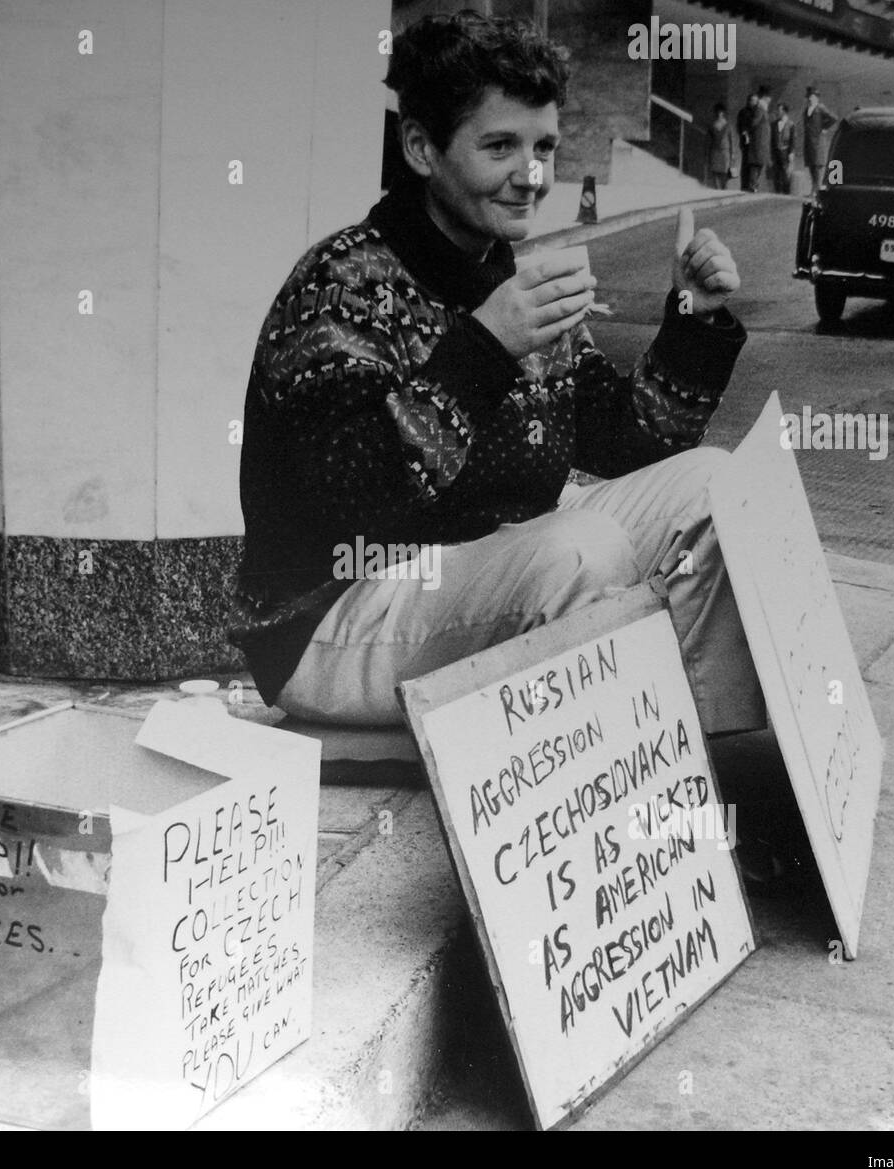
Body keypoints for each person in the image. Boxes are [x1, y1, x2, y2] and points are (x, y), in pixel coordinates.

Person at [229, 10, 766, 740]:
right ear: (421, 147)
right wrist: (486, 344)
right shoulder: (341, 282)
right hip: (331, 619)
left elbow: (619, 443)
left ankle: (692, 741)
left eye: (544, 145)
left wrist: (692, 320)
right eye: (500, 146)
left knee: (718, 484)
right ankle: (600, 770)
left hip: (482, 571)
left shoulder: (500, 272)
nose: (532, 175)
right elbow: (352, 499)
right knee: (579, 551)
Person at [802, 84, 839, 194]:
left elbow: (834, 118)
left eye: (812, 96)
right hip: (809, 141)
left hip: (817, 141)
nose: (809, 98)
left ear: (816, 97)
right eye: (808, 96)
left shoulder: (820, 108)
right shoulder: (807, 110)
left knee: (817, 167)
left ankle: (816, 190)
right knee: (812, 166)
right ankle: (814, 189)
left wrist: (824, 127)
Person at [743, 85, 771, 193]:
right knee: (756, 164)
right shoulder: (760, 108)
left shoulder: (761, 108)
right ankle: (753, 185)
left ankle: (754, 185)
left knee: (759, 163)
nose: (770, 99)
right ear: (765, 97)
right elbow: (754, 122)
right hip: (758, 141)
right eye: (768, 97)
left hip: (761, 141)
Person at [707, 102, 735, 190]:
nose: (719, 114)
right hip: (715, 151)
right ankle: (717, 189)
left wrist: (733, 154)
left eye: (721, 112)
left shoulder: (728, 126)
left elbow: (732, 141)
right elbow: (709, 140)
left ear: (723, 113)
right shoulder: (712, 126)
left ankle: (724, 189)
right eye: (718, 112)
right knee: (715, 171)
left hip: (725, 151)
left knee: (724, 173)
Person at [771, 101, 796, 194]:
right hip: (775, 151)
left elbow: (793, 139)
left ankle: (786, 192)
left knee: (785, 172)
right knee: (776, 172)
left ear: (784, 111)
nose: (777, 112)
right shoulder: (773, 124)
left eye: (779, 110)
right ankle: (777, 191)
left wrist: (791, 152)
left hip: (785, 150)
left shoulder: (790, 124)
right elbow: (772, 139)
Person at [735, 89, 758, 191]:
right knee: (745, 164)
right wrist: (744, 133)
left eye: (755, 101)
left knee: (753, 164)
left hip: (754, 142)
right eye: (752, 100)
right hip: (746, 141)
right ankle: (744, 185)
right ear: (748, 101)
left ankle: (751, 185)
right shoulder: (743, 112)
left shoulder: (757, 112)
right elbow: (740, 126)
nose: (754, 102)